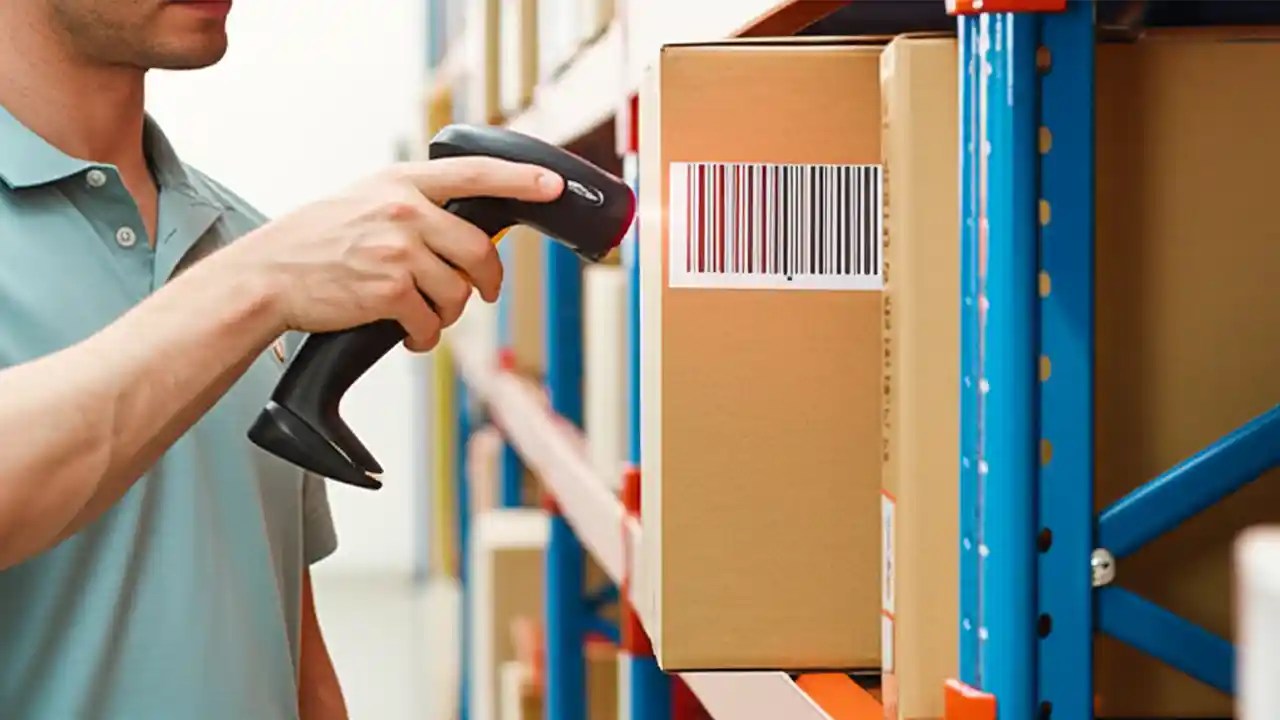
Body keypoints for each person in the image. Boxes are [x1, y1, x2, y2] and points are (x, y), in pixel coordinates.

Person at [0, 1, 565, 718]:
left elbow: (284, 630)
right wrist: (257, 284)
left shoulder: (240, 237)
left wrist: (259, 277)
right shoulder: (262, 273)